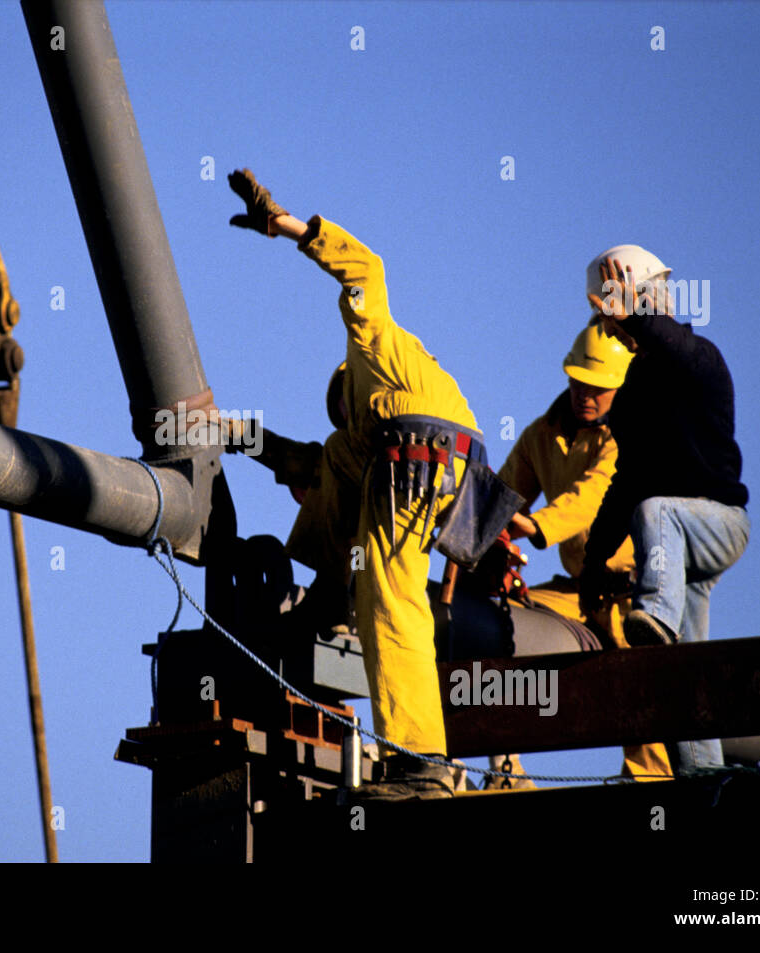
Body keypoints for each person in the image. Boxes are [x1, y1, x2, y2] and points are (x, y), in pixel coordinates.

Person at [227, 168, 502, 800]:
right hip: (452, 470)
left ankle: (420, 763)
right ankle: (331, 597)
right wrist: (238, 435)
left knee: (391, 604)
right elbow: (318, 465)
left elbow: (366, 270)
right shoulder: (385, 411)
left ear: (344, 389)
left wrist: (286, 225)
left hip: (419, 456)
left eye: (339, 410)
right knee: (341, 473)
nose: (341, 419)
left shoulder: (372, 345)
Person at [579, 247, 749, 774]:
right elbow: (625, 484)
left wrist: (634, 312)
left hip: (720, 524)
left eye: (618, 318)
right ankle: (704, 777)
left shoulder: (700, 359)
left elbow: (673, 346)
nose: (614, 330)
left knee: (656, 512)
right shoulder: (635, 393)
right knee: (678, 671)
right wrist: (593, 564)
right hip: (675, 553)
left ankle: (656, 613)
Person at [495, 320, 672, 784]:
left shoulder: (627, 436)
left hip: (631, 593)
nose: (586, 396)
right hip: (578, 591)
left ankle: (651, 786)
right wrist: (470, 520)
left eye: (599, 388)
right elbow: (502, 496)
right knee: (496, 620)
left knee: (640, 681)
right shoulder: (541, 436)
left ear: (621, 389)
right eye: (579, 383)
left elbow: (592, 495)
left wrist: (536, 526)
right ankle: (506, 769)